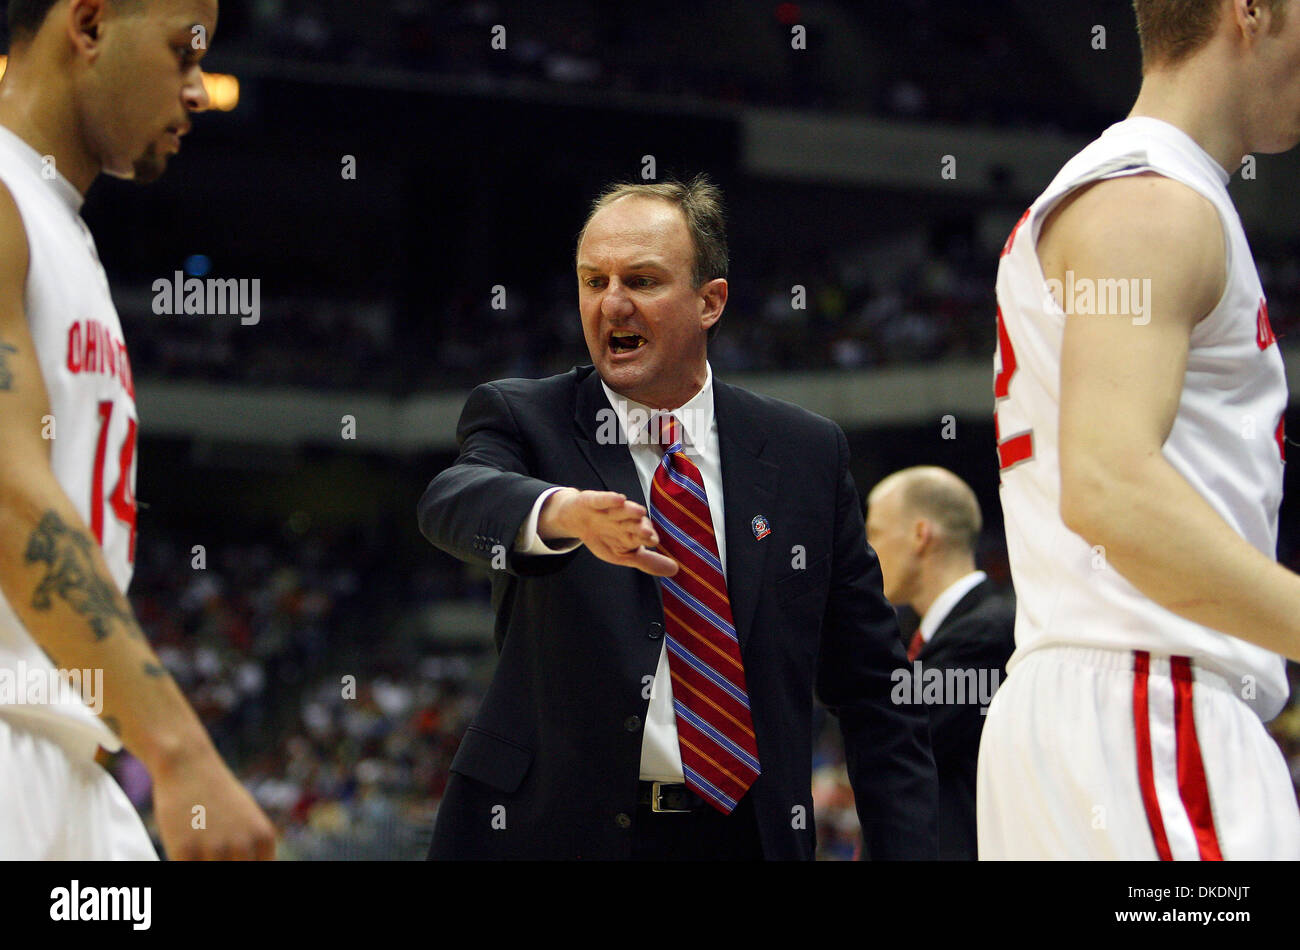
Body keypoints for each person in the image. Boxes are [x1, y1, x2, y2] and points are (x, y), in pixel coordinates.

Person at [418, 174, 938, 860]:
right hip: (554, 836)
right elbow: (451, 499)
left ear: (710, 301)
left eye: (641, 279)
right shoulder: (526, 418)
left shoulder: (806, 453)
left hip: (744, 840)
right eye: (593, 280)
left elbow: (874, 693)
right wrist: (563, 511)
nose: (612, 303)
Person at [979, 0, 1300, 859]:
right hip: (1148, 711)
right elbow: (1111, 487)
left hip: (1099, 711)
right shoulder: (1153, 199)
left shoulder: (1137, 187)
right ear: (1253, 11)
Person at [0, 0, 275, 859]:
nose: (197, 91)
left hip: (69, 752)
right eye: (181, 53)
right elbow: (8, 496)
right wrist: (180, 748)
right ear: (86, 25)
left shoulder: (57, 230)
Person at [865, 466, 1014, 860]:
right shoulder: (921, 633)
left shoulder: (990, 632)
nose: (866, 548)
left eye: (875, 532)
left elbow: (896, 738)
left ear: (919, 534)